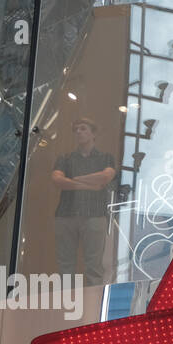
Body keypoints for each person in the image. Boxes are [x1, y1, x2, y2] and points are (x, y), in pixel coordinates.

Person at [52, 117, 117, 286]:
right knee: (65, 265)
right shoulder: (65, 158)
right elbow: (57, 180)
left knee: (94, 266)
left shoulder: (106, 158)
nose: (79, 132)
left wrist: (74, 180)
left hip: (94, 214)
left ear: (93, 133)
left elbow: (105, 177)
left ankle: (93, 308)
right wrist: (90, 184)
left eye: (83, 128)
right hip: (67, 214)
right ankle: (65, 305)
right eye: (76, 129)